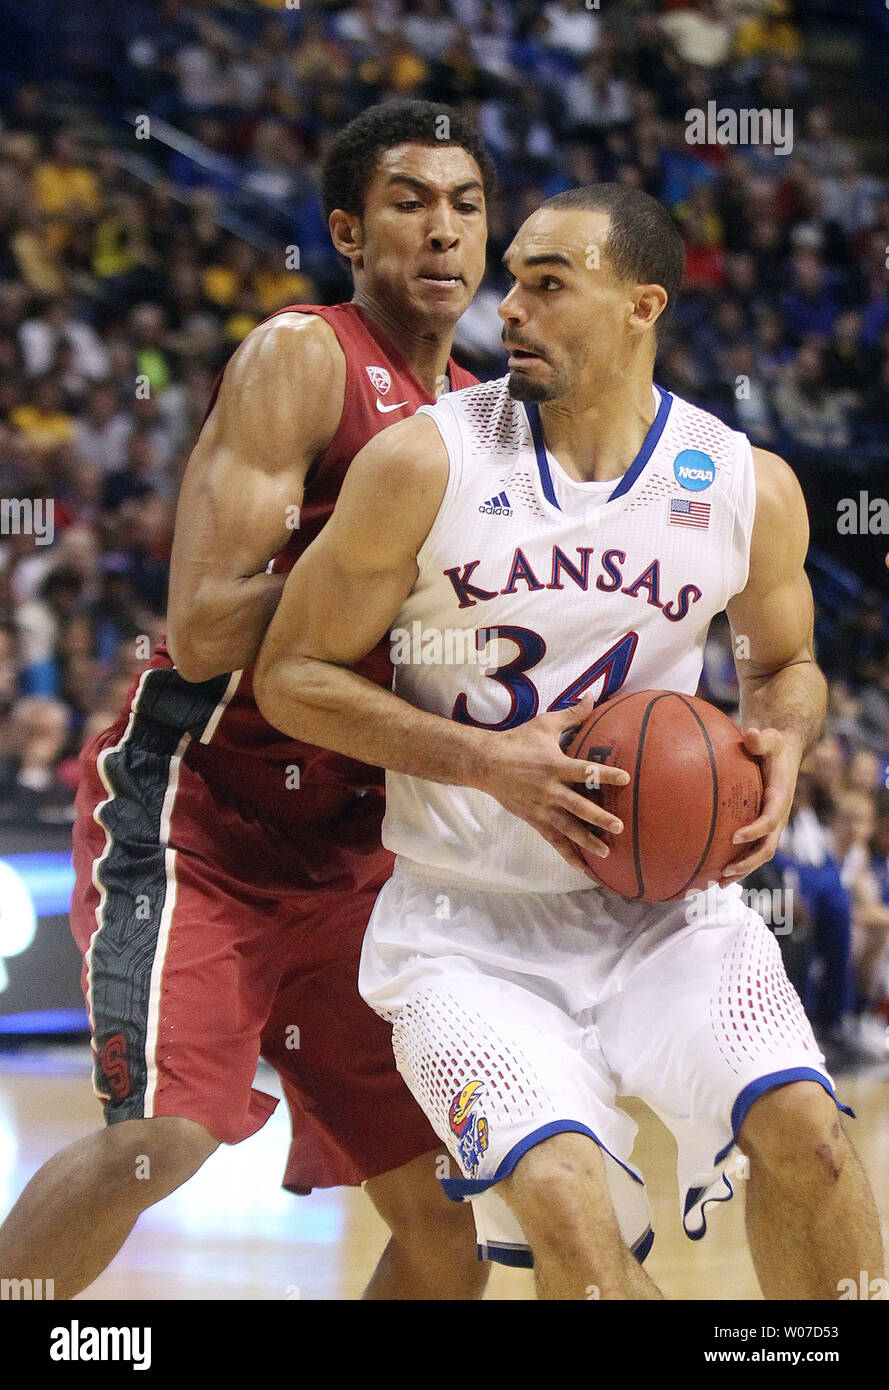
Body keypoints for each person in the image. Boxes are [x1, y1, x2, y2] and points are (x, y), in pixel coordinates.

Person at [254, 184, 885, 1299]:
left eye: (549, 285)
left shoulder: (740, 484)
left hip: (667, 912)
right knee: (562, 1203)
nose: (511, 310)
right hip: (465, 925)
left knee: (813, 1138)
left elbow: (785, 667)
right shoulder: (423, 464)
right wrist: (486, 760)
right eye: (513, 281)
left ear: (641, 305)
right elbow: (290, 675)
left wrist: (781, 736)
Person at [0, 100, 493, 1301]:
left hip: (357, 851)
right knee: (156, 1144)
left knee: (449, 1230)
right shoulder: (306, 356)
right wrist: (385, 577)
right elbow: (212, 622)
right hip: (198, 816)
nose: (442, 231)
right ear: (346, 230)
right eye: (408, 203)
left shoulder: (490, 421)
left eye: (467, 207)